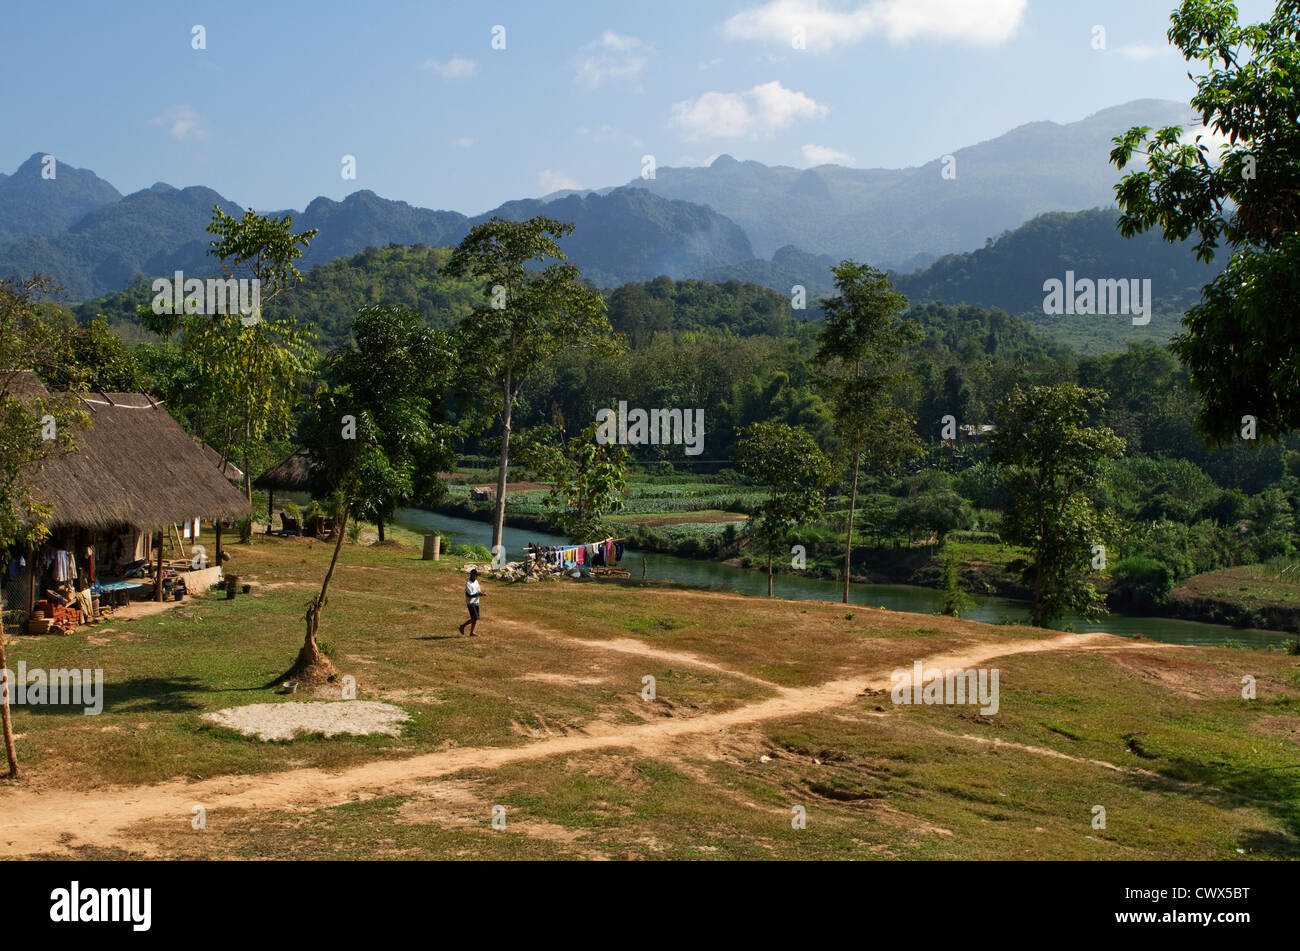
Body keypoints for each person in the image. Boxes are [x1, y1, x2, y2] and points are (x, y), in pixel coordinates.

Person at [459, 568, 484, 636]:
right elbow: (469, 595)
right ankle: (462, 626)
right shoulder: (468, 584)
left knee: (475, 618)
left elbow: (478, 590)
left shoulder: (476, 581)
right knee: (474, 618)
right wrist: (478, 594)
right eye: (476, 575)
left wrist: (481, 593)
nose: (476, 576)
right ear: (472, 575)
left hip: (476, 602)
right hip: (471, 603)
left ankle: (471, 632)